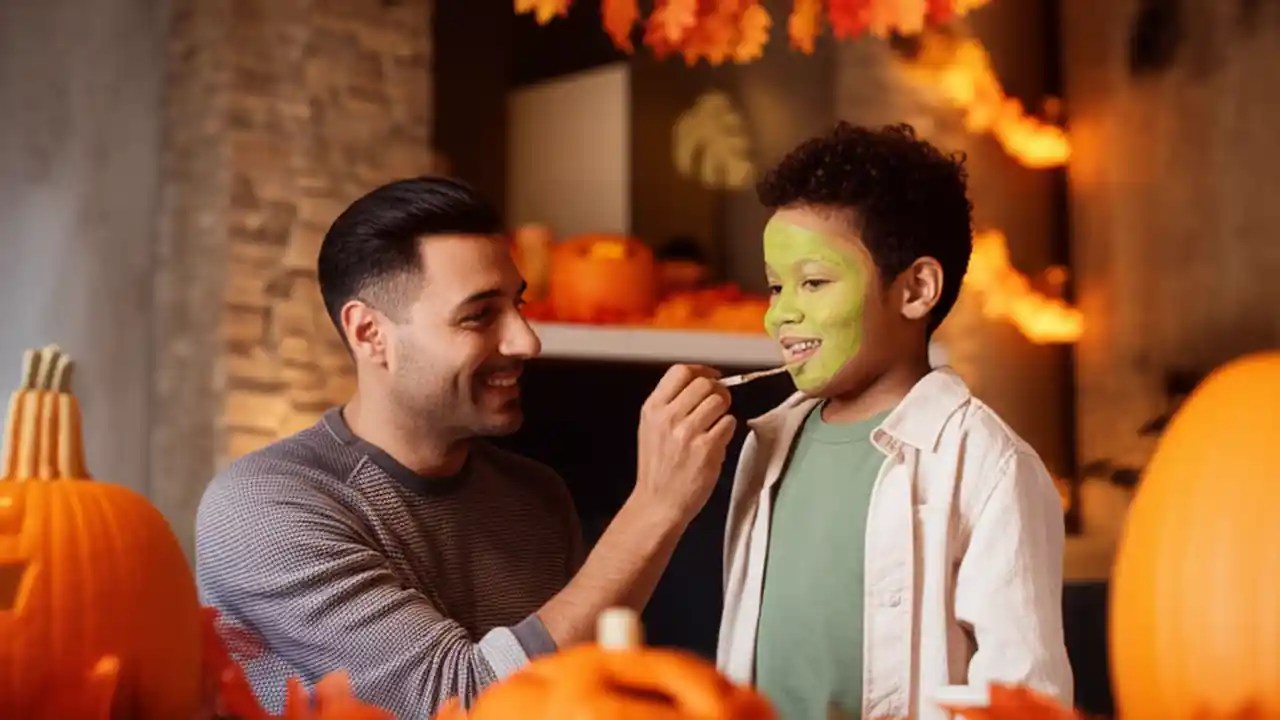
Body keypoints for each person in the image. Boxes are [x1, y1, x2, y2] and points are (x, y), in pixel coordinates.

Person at [195, 176, 737, 717]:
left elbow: (576, 696)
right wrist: (657, 506)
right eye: (479, 315)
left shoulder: (536, 496)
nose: (526, 341)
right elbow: (460, 704)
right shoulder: (261, 508)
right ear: (369, 334)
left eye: (517, 305)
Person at [716, 123, 1073, 720]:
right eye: (777, 287)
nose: (781, 313)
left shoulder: (988, 466)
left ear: (916, 290)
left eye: (814, 282)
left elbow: (1024, 697)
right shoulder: (765, 447)